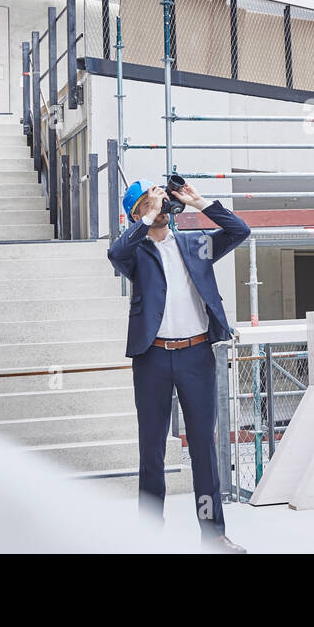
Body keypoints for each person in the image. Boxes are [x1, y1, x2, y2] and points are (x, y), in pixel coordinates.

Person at [107, 177, 250, 552]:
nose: (158, 204)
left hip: (196, 356)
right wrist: (144, 217)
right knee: (151, 449)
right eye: (147, 203)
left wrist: (201, 203)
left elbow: (239, 230)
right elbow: (115, 254)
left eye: (159, 199)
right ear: (137, 214)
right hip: (152, 356)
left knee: (203, 447)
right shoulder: (135, 252)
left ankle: (213, 533)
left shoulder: (196, 243)